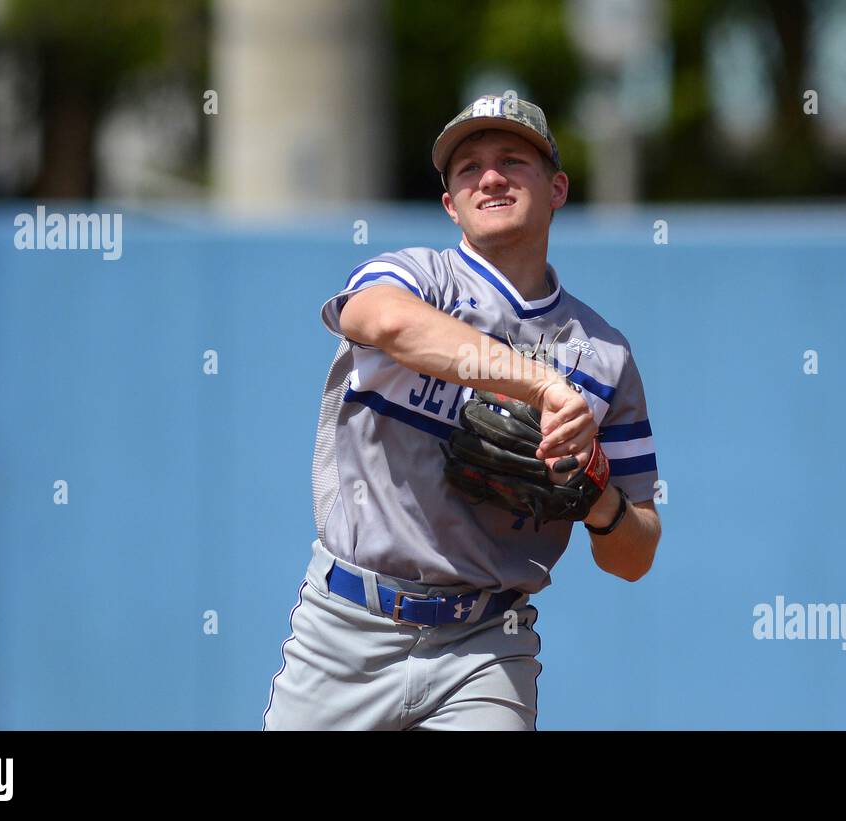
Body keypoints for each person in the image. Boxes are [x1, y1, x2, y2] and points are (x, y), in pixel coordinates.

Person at [263, 94, 661, 730]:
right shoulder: (419, 278)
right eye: (468, 167)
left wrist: (598, 498)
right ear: (451, 204)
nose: (491, 176)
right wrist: (542, 387)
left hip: (486, 643)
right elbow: (381, 319)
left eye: (512, 160)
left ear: (557, 188)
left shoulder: (604, 354)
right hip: (345, 631)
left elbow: (635, 555)